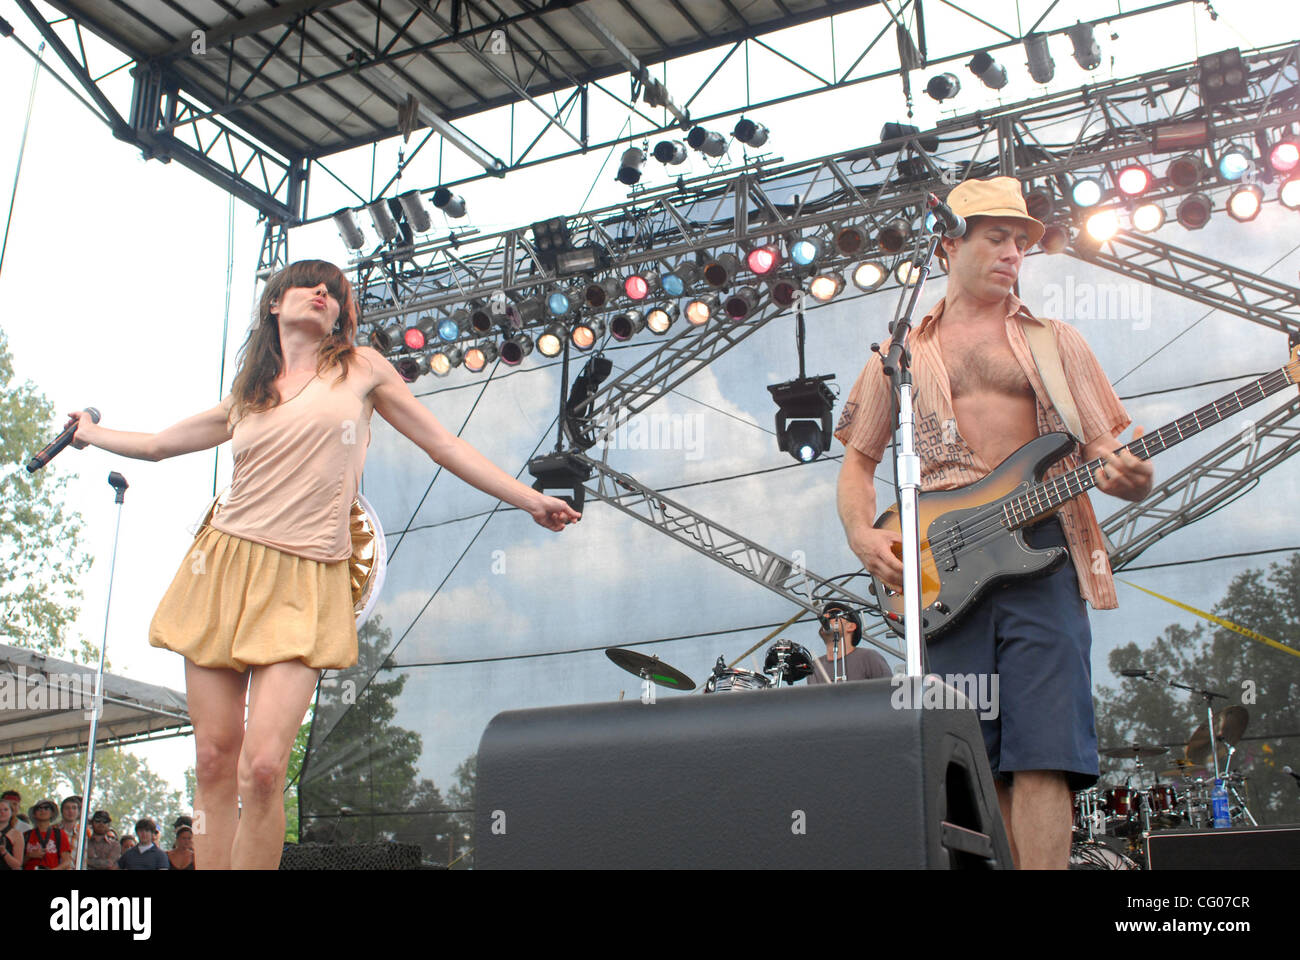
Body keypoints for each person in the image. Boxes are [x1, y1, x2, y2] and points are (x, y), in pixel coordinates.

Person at [67, 260, 581, 870]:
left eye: (334, 293)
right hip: (222, 570)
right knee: (212, 759)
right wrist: (91, 433)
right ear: (273, 306)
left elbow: (445, 444)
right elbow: (155, 446)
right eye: (308, 285)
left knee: (262, 768)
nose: (322, 293)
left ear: (340, 315)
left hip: (306, 577)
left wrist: (529, 499)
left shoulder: (361, 371)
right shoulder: (248, 397)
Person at [835, 177, 1153, 870]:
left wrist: (1133, 476)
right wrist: (863, 536)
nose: (1013, 252)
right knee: (968, 758)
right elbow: (858, 467)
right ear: (949, 243)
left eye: (1021, 241)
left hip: (1042, 554)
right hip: (941, 571)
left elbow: (1108, 454)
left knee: (1045, 751)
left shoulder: (1056, 342)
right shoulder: (899, 353)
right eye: (996, 237)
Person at [805, 603, 891, 684]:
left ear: (851, 626)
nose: (826, 616)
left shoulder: (869, 656)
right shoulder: (814, 667)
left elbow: (889, 692)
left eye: (834, 613)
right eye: (825, 614)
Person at [23, 800, 72, 870]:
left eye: (46, 808)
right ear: (34, 814)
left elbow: (67, 861)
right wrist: (30, 855)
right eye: (39, 808)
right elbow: (18, 863)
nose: (43, 811)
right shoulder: (26, 835)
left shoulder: (59, 834)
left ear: (52, 813)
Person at [57, 795, 87, 866]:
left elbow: (85, 859)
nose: (70, 811)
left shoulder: (84, 832)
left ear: (79, 812)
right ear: (62, 811)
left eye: (74, 808)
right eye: (67, 808)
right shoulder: (53, 830)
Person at [0, 799, 24, 870]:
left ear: (11, 812)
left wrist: (4, 852)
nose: (2, 812)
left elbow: (17, 865)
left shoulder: (17, 835)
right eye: (0, 810)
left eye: (5, 810)